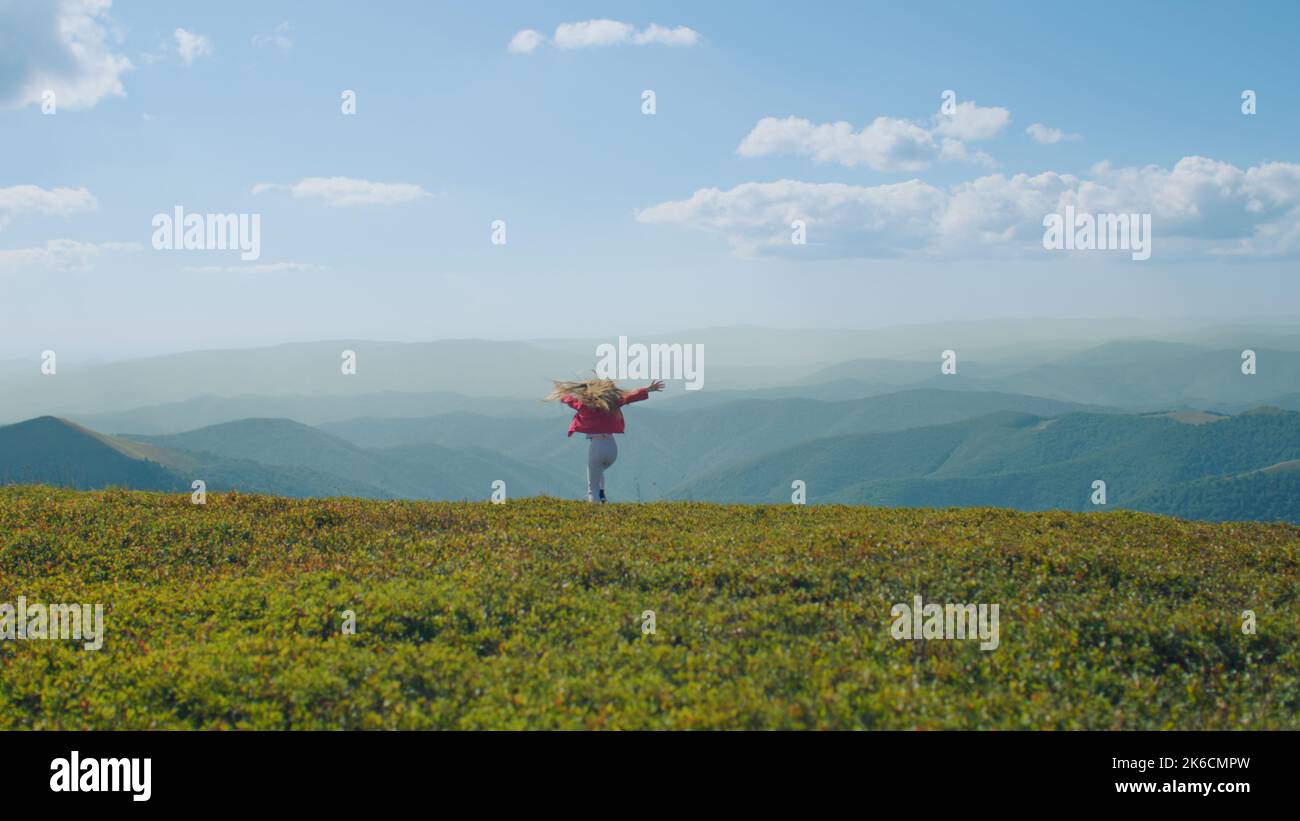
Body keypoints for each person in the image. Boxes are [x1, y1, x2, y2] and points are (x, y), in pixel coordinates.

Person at [545, 377, 664, 502]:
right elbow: (629, 397)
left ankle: (595, 514)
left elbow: (569, 400)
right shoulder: (611, 403)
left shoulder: (583, 405)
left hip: (597, 447)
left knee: (592, 487)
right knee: (599, 472)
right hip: (612, 449)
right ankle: (602, 493)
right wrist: (649, 389)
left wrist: (560, 392)